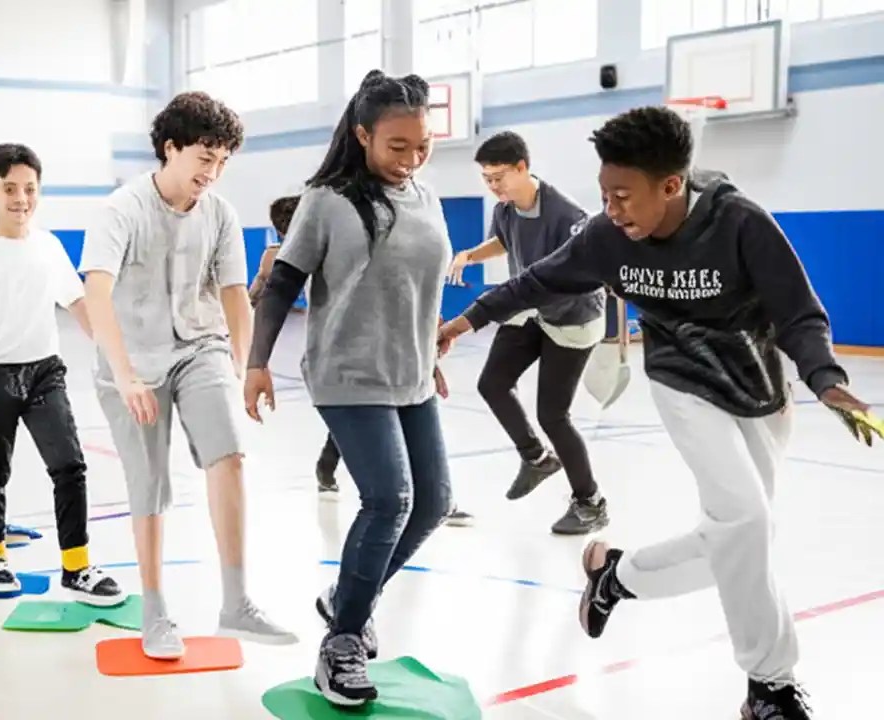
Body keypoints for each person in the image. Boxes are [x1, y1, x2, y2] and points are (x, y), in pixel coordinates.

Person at [437, 106, 870, 719]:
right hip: (682, 382)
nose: (611, 209)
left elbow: (798, 311)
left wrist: (825, 380)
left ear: (671, 186)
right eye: (604, 193)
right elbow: (537, 281)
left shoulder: (739, 223)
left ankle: (617, 578)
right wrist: (465, 319)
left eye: (623, 196)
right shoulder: (606, 236)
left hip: (760, 388)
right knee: (744, 522)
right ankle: (770, 687)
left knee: (743, 537)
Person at [246, 70, 452, 707]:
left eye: (422, 146)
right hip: (347, 373)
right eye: (397, 146)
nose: (412, 159)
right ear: (362, 134)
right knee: (388, 499)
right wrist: (256, 363)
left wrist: (429, 348)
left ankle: (349, 595)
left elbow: (419, 283)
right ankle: (339, 642)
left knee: (435, 502)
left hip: (410, 372)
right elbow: (282, 283)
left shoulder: (426, 194)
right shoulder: (327, 200)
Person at [81, 91, 297, 660]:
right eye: (205, 156)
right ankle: (154, 610)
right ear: (170, 149)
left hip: (198, 346)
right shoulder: (121, 210)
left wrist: (248, 365)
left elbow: (233, 294)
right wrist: (125, 375)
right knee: (149, 484)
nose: (214, 171)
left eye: (224, 160)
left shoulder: (220, 214)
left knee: (229, 454)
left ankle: (236, 601)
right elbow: (96, 291)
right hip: (132, 361)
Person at [0, 144, 122, 603]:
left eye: (30, 189)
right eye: (10, 189)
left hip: (44, 373)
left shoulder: (49, 246)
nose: (21, 199)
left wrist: (116, 357)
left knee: (70, 466)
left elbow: (78, 302)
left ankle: (76, 566)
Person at [447, 131, 610, 535]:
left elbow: (566, 279)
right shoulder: (504, 208)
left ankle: (590, 503)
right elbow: (503, 242)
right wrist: (470, 254)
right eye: (486, 177)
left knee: (553, 415)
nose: (492, 185)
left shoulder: (567, 218)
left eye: (498, 176)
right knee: (492, 383)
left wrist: (482, 313)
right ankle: (537, 459)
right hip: (530, 307)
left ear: (523, 167)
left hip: (572, 316)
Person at [249, 195, 341, 497]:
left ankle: (327, 466)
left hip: (353, 339)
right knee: (350, 412)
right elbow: (260, 295)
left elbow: (257, 293)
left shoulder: (334, 244)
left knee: (357, 413)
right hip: (325, 347)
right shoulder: (279, 255)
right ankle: (327, 466)